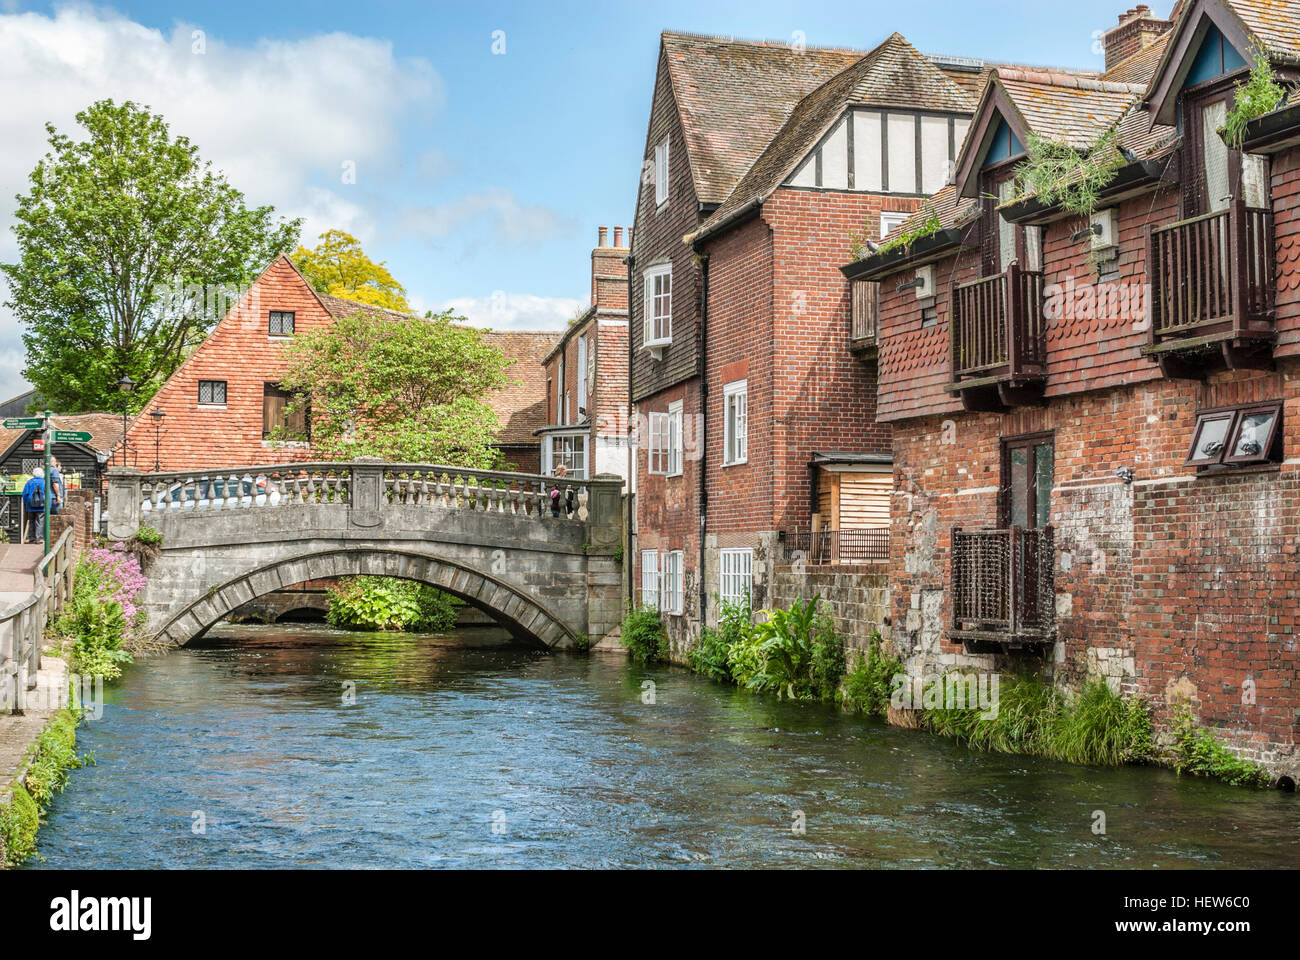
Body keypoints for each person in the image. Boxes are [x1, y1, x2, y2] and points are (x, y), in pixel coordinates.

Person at [21, 471, 45, 544]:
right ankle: (39, 538)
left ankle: (31, 537)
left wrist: (27, 503)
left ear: (33, 474)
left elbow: (25, 494)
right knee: (40, 521)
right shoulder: (44, 482)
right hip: (42, 506)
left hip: (30, 506)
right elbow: (48, 494)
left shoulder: (29, 482)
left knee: (31, 521)